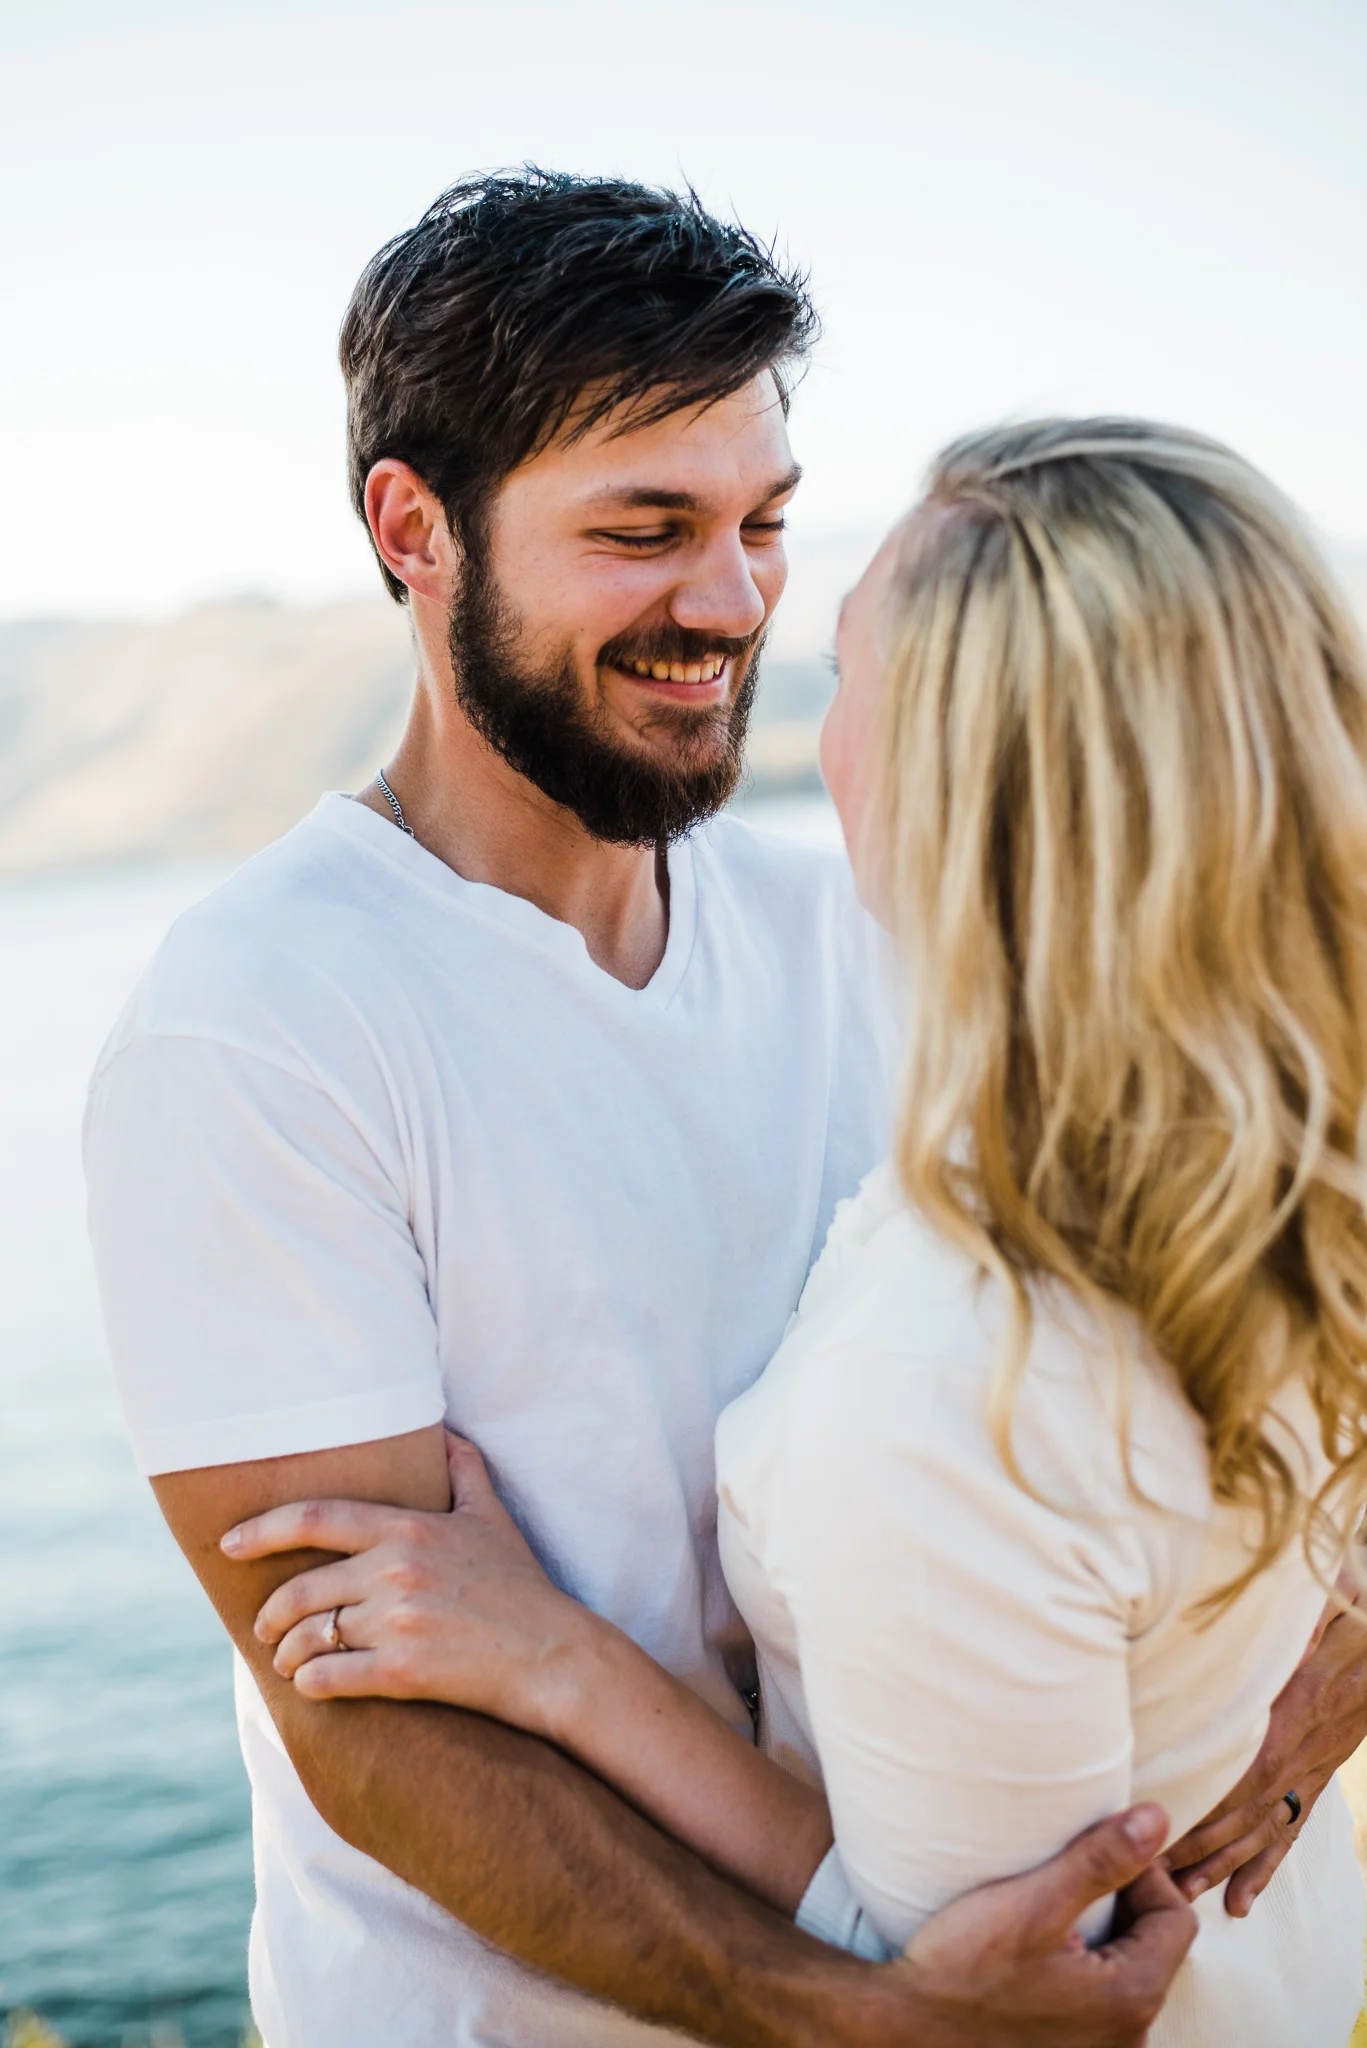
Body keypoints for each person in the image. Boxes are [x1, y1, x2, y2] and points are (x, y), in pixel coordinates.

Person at [76, 168, 1334, 2043]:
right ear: (413, 530)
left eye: (763, 523)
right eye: (646, 528)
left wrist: (1325, 1683)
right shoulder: (260, 1026)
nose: (733, 601)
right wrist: (852, 2020)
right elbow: (374, 1721)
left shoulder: (861, 919)